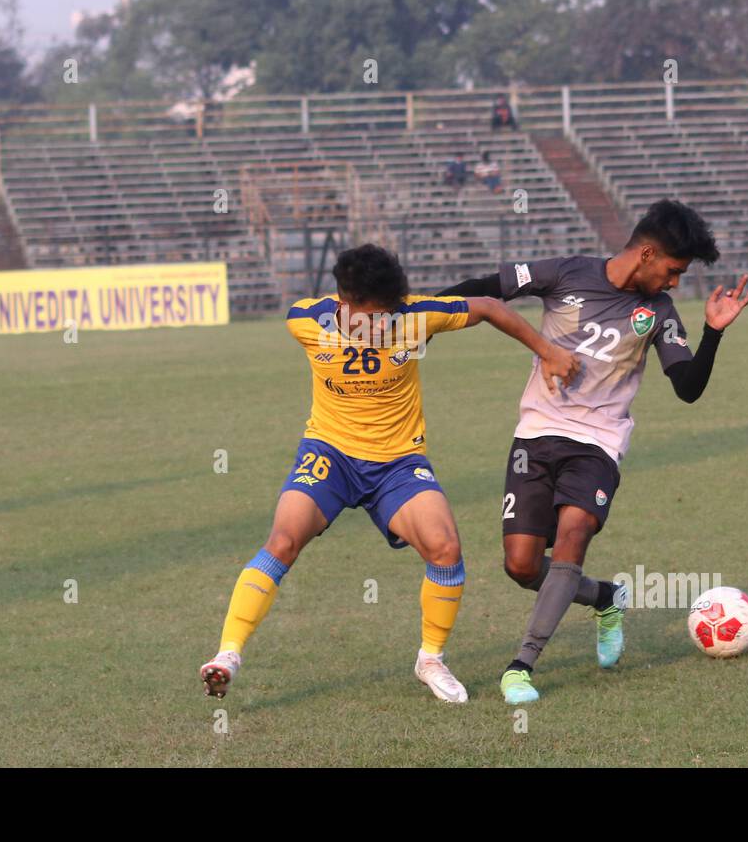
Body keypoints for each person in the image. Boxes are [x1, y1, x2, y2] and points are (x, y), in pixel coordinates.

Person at [199, 244, 578, 704]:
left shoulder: (416, 315)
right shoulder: (307, 321)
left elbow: (490, 307)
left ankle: (431, 659)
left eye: (387, 317)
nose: (381, 327)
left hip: (399, 462)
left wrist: (547, 350)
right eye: (371, 317)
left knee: (446, 548)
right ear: (344, 302)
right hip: (330, 456)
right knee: (283, 540)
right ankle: (227, 656)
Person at [439, 200, 748, 704]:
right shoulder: (566, 273)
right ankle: (605, 597)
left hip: (599, 443)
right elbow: (488, 287)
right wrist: (419, 313)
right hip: (536, 435)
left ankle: (521, 666)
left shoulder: (658, 312)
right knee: (521, 566)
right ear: (647, 253)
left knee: (574, 531)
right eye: (674, 271)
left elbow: (688, 387)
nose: (675, 282)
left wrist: (714, 332)